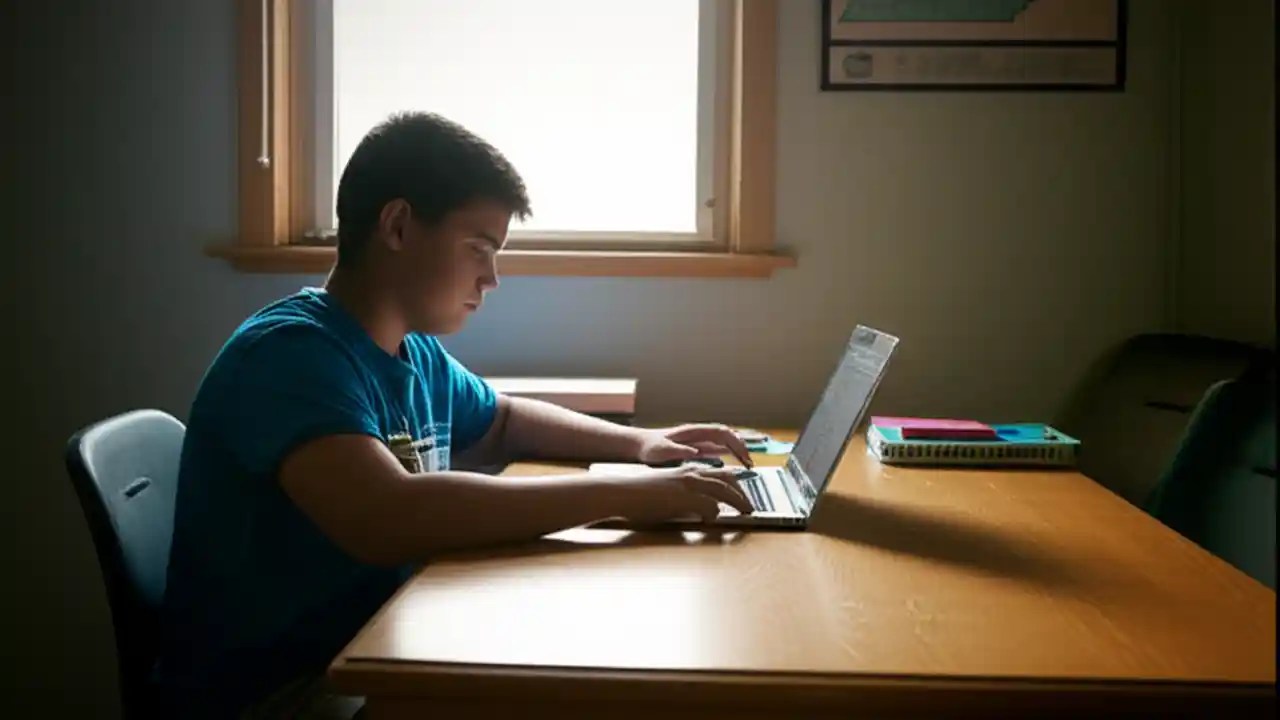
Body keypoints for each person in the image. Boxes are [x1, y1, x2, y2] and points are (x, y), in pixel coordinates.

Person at [154, 111, 755, 718]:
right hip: (284, 693)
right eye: (478, 249)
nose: (491, 278)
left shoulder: (411, 350)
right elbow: (387, 517)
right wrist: (625, 497)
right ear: (397, 226)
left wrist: (643, 447)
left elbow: (503, 421)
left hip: (370, 648)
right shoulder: (290, 356)